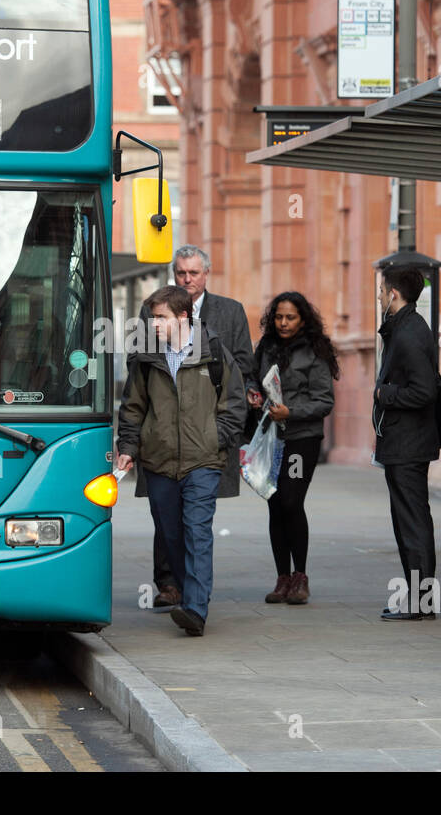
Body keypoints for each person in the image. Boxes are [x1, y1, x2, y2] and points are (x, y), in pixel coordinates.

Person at [116, 285, 246, 637]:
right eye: (152, 317)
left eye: (160, 318)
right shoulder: (147, 357)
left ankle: (195, 609)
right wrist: (128, 447)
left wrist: (215, 439)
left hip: (202, 460)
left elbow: (235, 404)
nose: (153, 324)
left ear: (183, 316)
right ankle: (189, 597)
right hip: (158, 462)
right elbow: (133, 407)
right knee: (171, 535)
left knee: (197, 532)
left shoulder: (214, 351)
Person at [136, 245, 256, 608]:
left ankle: (194, 601)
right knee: (167, 518)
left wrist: (220, 436)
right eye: (181, 273)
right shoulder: (152, 309)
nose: (187, 280)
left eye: (194, 273)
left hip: (204, 439)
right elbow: (140, 369)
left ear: (207, 274)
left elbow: (244, 367)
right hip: (163, 439)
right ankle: (168, 583)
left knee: (196, 522)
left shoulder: (230, 312)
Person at [249, 291, 337, 606]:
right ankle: (282, 578)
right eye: (279, 317)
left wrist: (291, 411)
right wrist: (253, 394)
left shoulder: (315, 351)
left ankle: (300, 577)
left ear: (303, 319)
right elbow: (253, 379)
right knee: (275, 503)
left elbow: (324, 401)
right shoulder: (266, 347)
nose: (283, 323)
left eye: (290, 317)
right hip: (272, 438)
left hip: (301, 440)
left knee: (290, 500)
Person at [368, 266, 440, 620]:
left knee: (411, 521)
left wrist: (385, 393)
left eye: (382, 291)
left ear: (394, 293)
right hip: (404, 441)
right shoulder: (404, 327)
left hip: (408, 443)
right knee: (410, 519)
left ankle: (421, 601)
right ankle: (419, 597)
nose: (380, 296)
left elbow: (424, 391)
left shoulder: (409, 332)